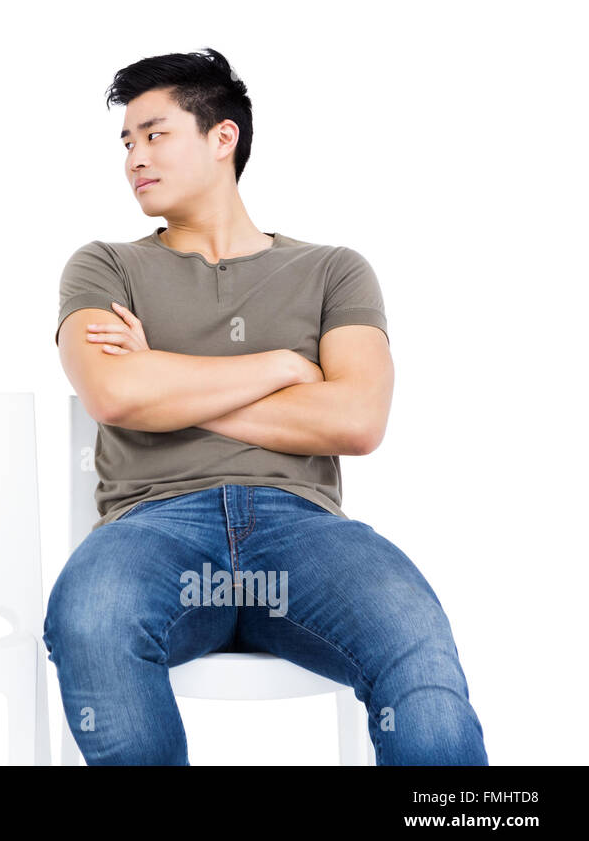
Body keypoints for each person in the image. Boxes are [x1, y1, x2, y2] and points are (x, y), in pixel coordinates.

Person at [43, 48, 486, 765]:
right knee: (91, 618)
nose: (133, 159)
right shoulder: (105, 266)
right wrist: (281, 368)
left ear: (224, 139)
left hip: (303, 529)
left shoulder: (332, 270)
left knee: (418, 647)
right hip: (153, 527)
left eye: (154, 134)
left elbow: (356, 420)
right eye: (126, 142)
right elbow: (114, 394)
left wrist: (164, 378)